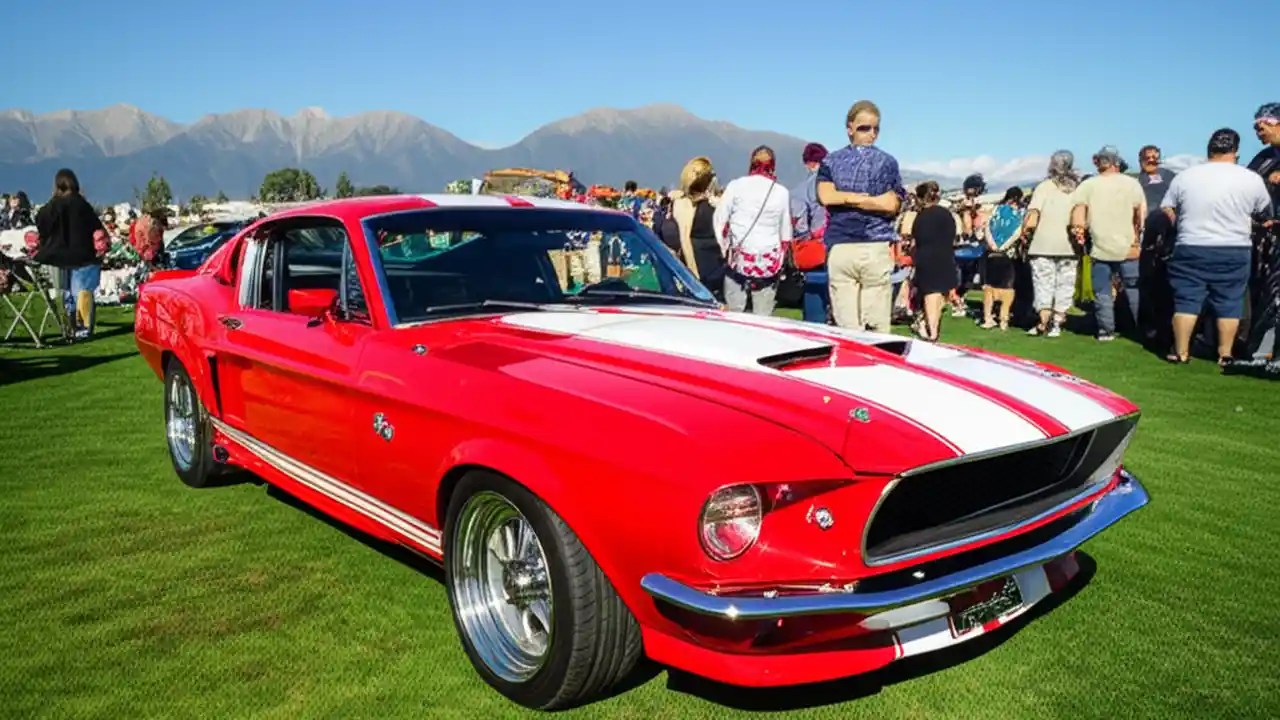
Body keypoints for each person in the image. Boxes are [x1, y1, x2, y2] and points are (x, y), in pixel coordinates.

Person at [1160, 128, 1274, 364]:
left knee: (1186, 301)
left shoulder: (1186, 176)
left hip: (1191, 244)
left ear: (1209, 149)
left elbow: (1167, 208)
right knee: (1229, 301)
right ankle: (1225, 354)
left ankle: (1181, 352)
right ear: (1235, 152)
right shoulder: (1250, 178)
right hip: (1234, 246)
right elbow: (1264, 211)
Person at [816, 100, 905, 331]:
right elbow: (826, 197)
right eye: (865, 128)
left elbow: (892, 204)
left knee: (850, 325)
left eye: (875, 128)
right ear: (850, 128)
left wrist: (847, 198)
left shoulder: (831, 162)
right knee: (874, 327)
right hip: (867, 244)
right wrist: (869, 201)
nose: (871, 134)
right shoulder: (887, 162)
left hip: (849, 245)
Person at [1069, 145, 1146, 341]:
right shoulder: (1132, 184)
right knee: (1134, 290)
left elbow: (1078, 215)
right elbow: (1140, 215)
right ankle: (1140, 329)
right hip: (1129, 246)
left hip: (1100, 247)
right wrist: (1138, 238)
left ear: (1098, 162)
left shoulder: (1088, 185)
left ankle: (1106, 330)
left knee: (1102, 291)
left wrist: (1078, 233)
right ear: (1116, 162)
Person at [714, 146, 793, 315]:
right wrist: (781, 258)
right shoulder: (781, 192)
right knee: (763, 315)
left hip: (739, 257)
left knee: (735, 312)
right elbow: (785, 231)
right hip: (767, 260)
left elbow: (719, 220)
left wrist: (724, 247)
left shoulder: (736, 186)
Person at [32, 168, 106, 339]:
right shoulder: (83, 205)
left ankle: (67, 326)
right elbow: (96, 228)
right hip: (81, 255)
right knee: (81, 293)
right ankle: (82, 329)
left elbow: (40, 223)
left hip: (54, 257)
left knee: (63, 293)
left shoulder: (52, 206)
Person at [1023, 151, 1082, 337]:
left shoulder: (1044, 187)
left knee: (1043, 284)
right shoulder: (1078, 188)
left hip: (1043, 244)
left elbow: (1032, 217)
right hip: (1069, 246)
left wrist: (1025, 233)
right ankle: (1057, 323)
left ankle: (1043, 322)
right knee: (1065, 284)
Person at [905, 181, 956, 340]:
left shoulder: (920, 217)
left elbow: (914, 240)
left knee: (931, 293)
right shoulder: (947, 214)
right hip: (946, 256)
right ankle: (932, 327)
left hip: (926, 257)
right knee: (941, 293)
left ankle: (931, 329)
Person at [671, 157, 725, 299]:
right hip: (699, 264)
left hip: (717, 264)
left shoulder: (711, 201)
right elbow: (685, 239)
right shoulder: (684, 203)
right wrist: (694, 275)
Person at [790, 142, 830, 323]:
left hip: (817, 251)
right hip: (844, 245)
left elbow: (801, 226)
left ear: (809, 163)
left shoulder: (803, 189)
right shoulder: (841, 183)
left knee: (815, 301)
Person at [980, 187, 1025, 330]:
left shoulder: (995, 210)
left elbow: (987, 227)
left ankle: (987, 318)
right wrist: (1005, 246)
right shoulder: (1020, 212)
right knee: (1007, 289)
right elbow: (1019, 231)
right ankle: (1003, 320)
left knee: (989, 288)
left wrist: (992, 244)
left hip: (991, 253)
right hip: (1008, 255)